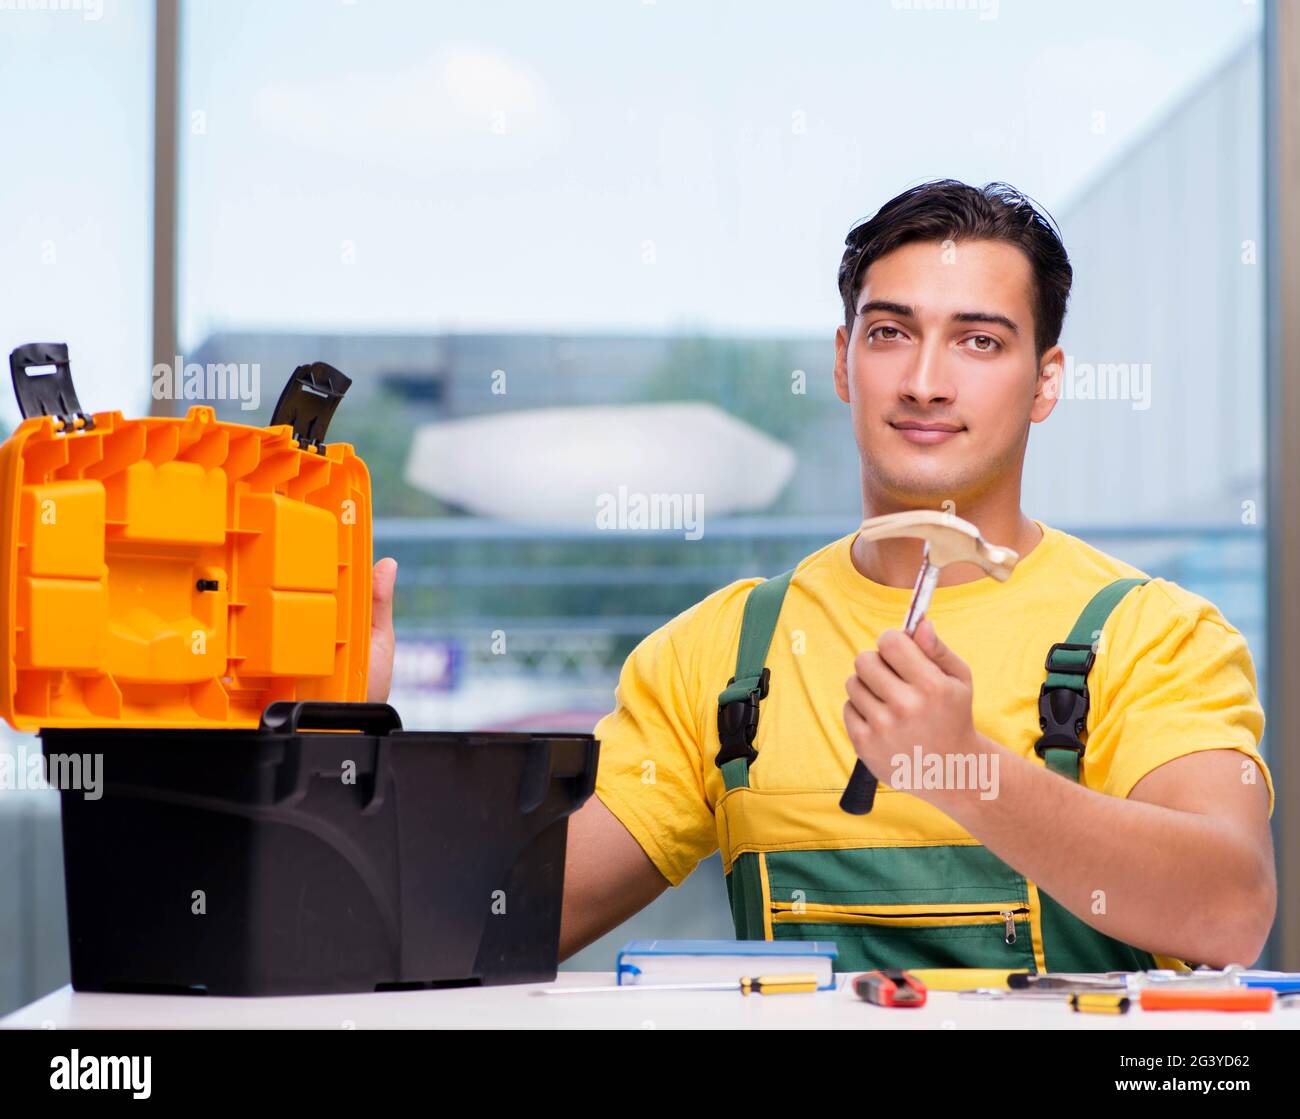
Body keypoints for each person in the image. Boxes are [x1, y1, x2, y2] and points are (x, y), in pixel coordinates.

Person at [371, 181, 1276, 972]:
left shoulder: (1156, 634)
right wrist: (342, 736)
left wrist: (965, 768)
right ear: (845, 362)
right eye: (891, 333)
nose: (925, 381)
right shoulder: (725, 654)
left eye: (979, 342)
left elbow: (1230, 910)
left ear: (1045, 383)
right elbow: (467, 928)